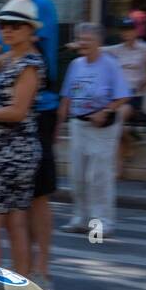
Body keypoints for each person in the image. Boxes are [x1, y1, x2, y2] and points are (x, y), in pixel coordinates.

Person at [0, 0, 60, 288]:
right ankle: (23, 282)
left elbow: (0, 59)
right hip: (12, 137)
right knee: (15, 217)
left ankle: (34, 274)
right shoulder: (15, 31)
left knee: (30, 202)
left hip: (32, 124)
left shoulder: (41, 9)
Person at [0, 0, 45, 278]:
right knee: (15, 220)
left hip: (13, 151)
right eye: (3, 25)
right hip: (14, 149)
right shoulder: (12, 58)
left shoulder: (28, 63)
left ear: (30, 30)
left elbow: (17, 111)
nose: (8, 30)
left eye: (16, 25)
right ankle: (19, 288)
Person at [58, 23, 132, 239]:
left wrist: (106, 110)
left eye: (88, 40)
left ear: (99, 42)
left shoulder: (110, 65)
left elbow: (123, 96)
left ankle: (103, 222)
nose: (83, 43)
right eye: (81, 39)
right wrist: (59, 124)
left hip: (103, 128)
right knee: (77, 175)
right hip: (78, 124)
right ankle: (81, 218)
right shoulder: (75, 65)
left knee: (98, 176)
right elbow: (67, 97)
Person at [104, 17, 146, 177]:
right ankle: (120, 166)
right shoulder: (117, 49)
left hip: (135, 94)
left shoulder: (145, 49)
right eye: (123, 30)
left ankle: (127, 145)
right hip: (118, 95)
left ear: (135, 31)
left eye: (129, 29)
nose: (126, 33)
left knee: (118, 120)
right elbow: (99, 49)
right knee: (116, 125)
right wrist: (77, 45)